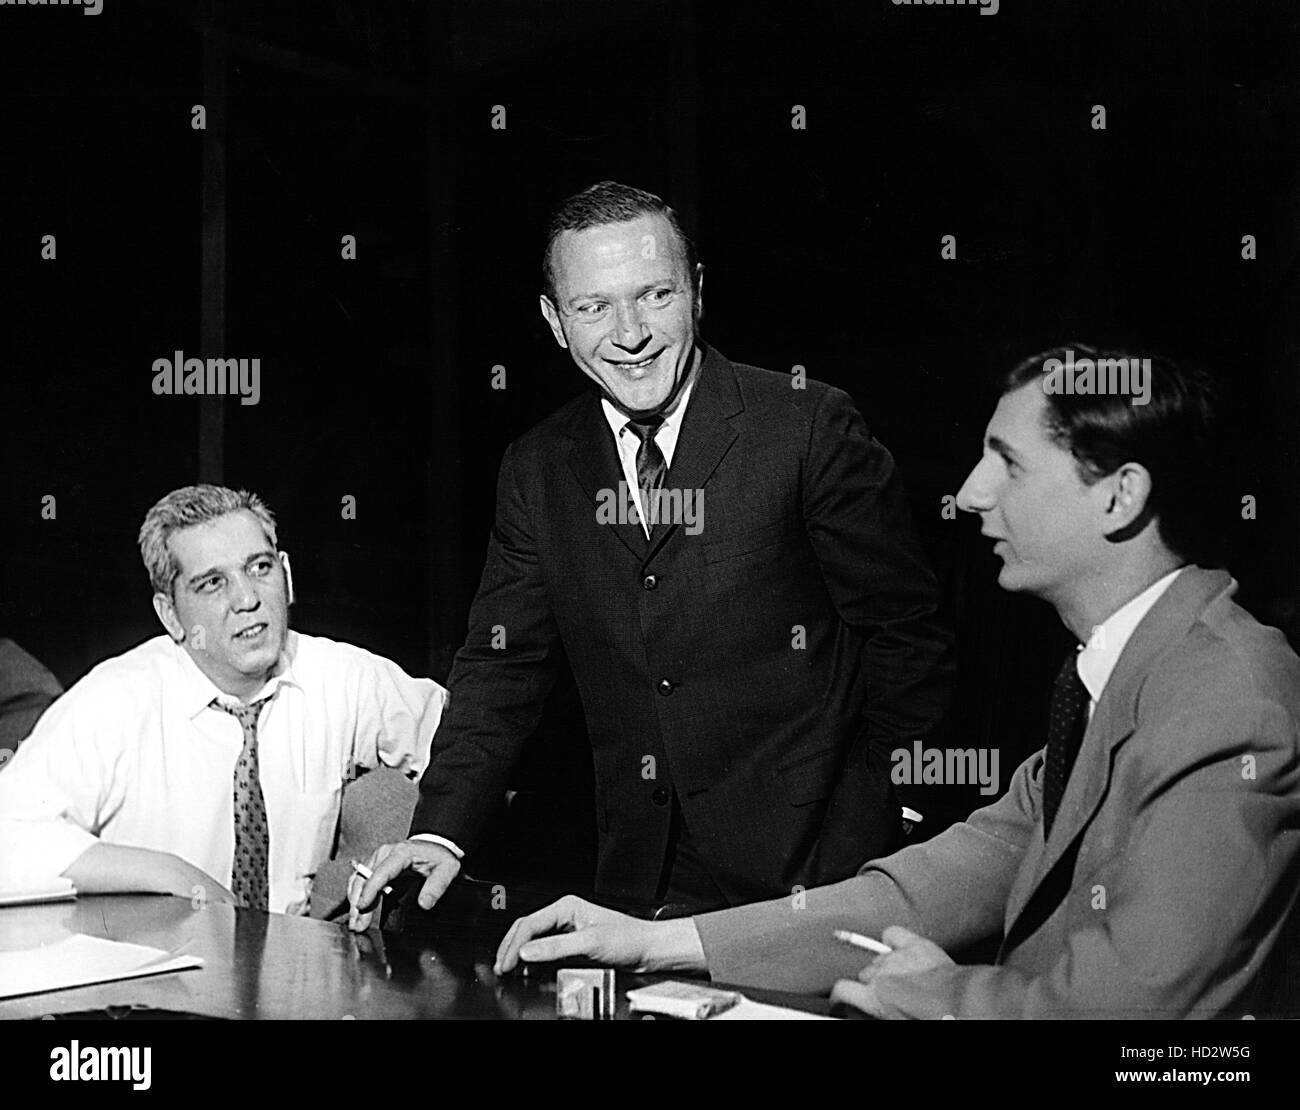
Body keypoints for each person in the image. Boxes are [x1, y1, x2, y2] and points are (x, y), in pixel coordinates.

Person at [493, 345, 1300, 1019]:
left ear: (1120, 496)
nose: (972, 493)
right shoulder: (1123, 675)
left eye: (1008, 463)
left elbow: (1141, 1013)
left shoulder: (1228, 700)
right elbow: (930, 888)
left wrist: (944, 998)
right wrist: (649, 940)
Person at [350, 181, 953, 926]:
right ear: (555, 322)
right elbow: (502, 666)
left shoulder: (805, 426)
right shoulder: (538, 467)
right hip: (639, 880)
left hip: (823, 868)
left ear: (697, 292)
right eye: (593, 307)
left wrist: (886, 818)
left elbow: (906, 638)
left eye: (654, 295)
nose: (629, 333)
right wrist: (441, 829)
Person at [0, 485, 448, 915]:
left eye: (259, 567)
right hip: (149, 976)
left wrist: (434, 838)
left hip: (288, 971)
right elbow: (8, 838)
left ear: (287, 576)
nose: (248, 599)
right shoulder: (115, 700)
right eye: (212, 583)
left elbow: (466, 744)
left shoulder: (344, 678)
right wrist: (167, 872)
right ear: (170, 614)